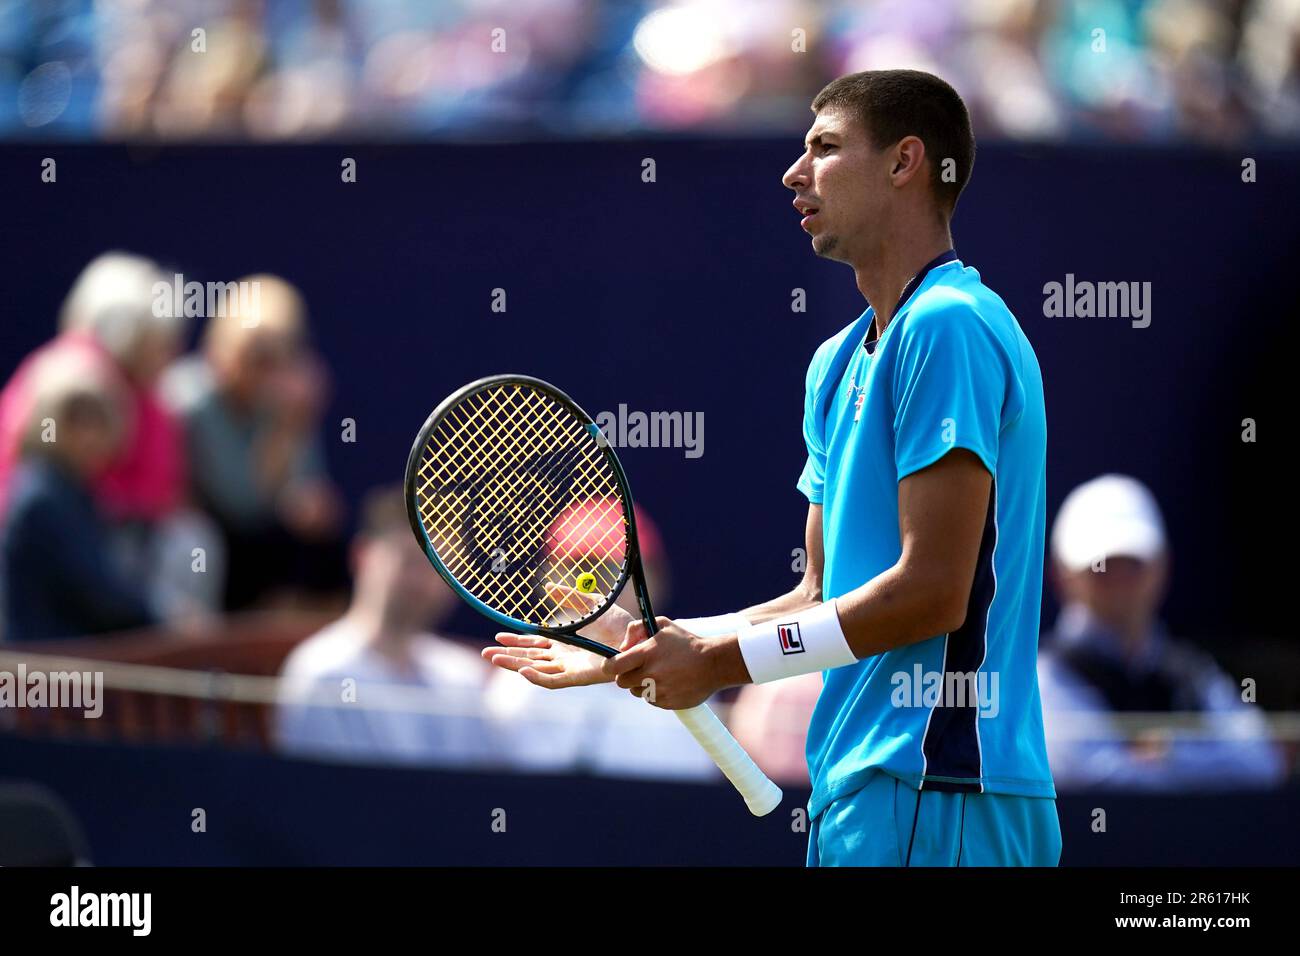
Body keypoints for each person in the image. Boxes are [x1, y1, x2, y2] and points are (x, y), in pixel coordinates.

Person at [486, 70, 1060, 866]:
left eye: (824, 148)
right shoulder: (832, 365)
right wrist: (650, 644)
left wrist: (717, 664)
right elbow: (817, 597)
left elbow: (932, 593)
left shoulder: (949, 326)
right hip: (859, 796)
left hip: (944, 786)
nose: (794, 173)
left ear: (904, 163)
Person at [0, 252, 222, 621]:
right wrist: (165, 617)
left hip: (116, 546)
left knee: (189, 539)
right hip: (47, 645)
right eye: (81, 421)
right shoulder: (73, 377)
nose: (96, 438)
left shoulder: (148, 394)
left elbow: (160, 489)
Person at [1038, 474, 1284, 791]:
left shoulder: (1191, 673)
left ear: (1162, 567)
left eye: (1133, 565)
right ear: (1061, 573)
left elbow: (1262, 761)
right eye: (1100, 565)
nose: (1118, 580)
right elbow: (1089, 775)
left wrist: (1171, 753)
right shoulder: (1044, 678)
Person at [274, 486, 499, 767]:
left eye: (442, 568)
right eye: (410, 561)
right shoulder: (322, 674)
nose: (422, 582)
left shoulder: (465, 677)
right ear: (362, 555)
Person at [162, 274, 346, 610]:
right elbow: (241, 503)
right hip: (207, 541)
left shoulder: (282, 403)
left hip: (255, 539)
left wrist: (295, 431)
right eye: (257, 356)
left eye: (278, 357)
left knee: (326, 546)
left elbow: (303, 493)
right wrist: (287, 430)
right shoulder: (183, 401)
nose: (269, 370)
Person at [0, 349, 158, 642]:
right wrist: (167, 618)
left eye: (98, 421)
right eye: (75, 420)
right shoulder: (42, 498)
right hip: (43, 672)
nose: (89, 435)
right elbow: (99, 596)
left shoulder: (73, 488)